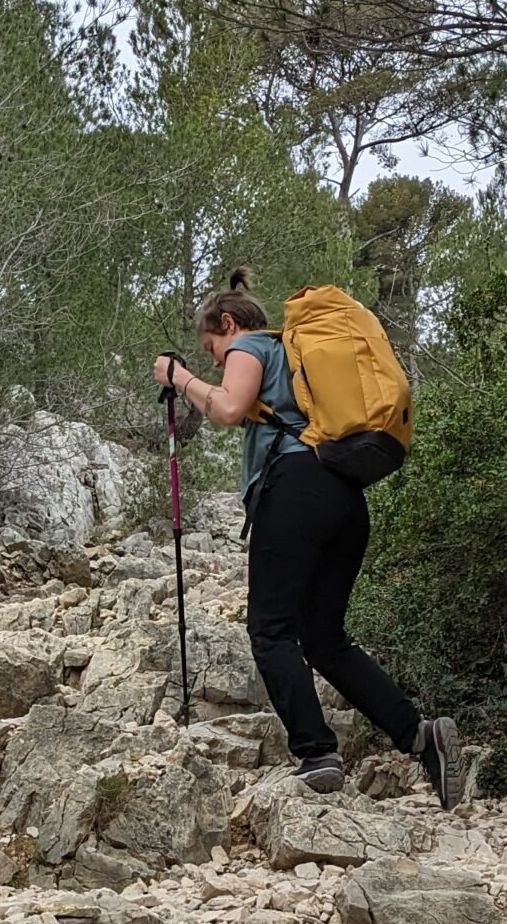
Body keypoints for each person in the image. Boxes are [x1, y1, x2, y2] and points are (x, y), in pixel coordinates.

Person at [154, 272, 462, 802]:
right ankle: (418, 735)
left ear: (228, 324)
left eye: (212, 348)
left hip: (294, 492)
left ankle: (316, 753)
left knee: (270, 630)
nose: (214, 361)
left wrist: (179, 378)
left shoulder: (251, 346)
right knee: (322, 637)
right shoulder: (293, 361)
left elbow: (228, 408)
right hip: (344, 497)